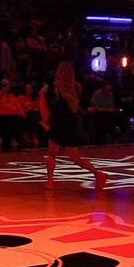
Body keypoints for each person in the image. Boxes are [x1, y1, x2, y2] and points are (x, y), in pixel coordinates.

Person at [43, 61, 107, 192]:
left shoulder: (53, 87)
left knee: (51, 153)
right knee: (74, 156)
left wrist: (46, 119)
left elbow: (43, 100)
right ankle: (98, 174)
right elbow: (75, 107)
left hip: (58, 122)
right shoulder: (75, 87)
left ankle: (50, 181)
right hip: (71, 123)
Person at [0, 77, 22, 151]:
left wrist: (21, 113)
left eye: (8, 84)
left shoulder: (12, 96)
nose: (8, 86)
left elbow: (18, 107)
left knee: (19, 120)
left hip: (11, 117)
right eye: (5, 85)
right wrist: (1, 94)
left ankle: (13, 141)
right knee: (6, 121)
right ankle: (5, 144)